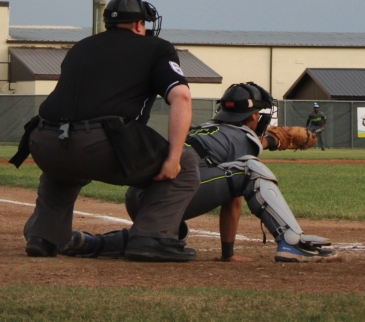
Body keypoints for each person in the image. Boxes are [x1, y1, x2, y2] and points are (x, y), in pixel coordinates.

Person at [11, 0, 201, 262]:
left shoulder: (82, 47)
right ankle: (151, 238)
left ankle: (43, 236)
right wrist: (173, 159)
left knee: (63, 168)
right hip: (99, 143)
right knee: (186, 162)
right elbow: (181, 97)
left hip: (43, 141)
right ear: (139, 24)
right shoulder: (156, 47)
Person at [64, 82, 336, 263]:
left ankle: (93, 243)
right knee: (250, 169)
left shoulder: (205, 127)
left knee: (166, 237)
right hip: (171, 192)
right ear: (253, 117)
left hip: (139, 195)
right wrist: (228, 254)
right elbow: (234, 200)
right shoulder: (246, 139)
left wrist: (272, 140)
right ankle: (291, 241)